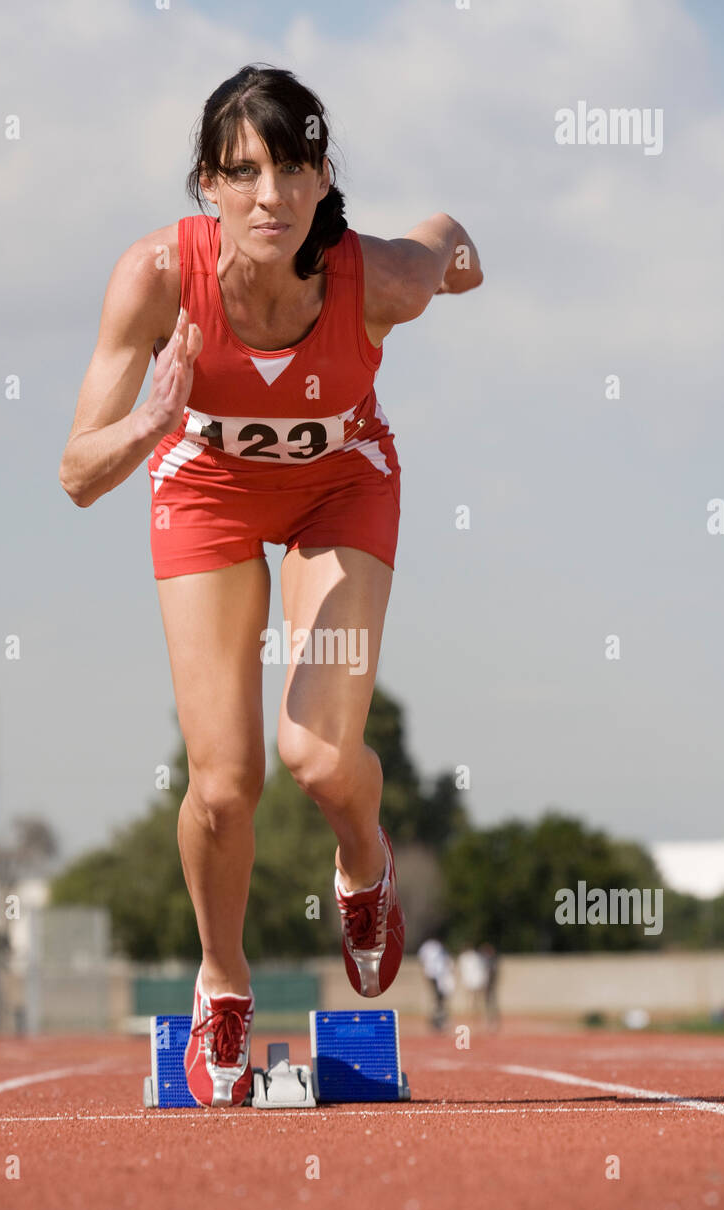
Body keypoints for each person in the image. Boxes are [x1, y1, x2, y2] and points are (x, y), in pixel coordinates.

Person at [59, 64, 483, 1107]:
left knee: (319, 755)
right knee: (223, 782)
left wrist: (454, 260)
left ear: (320, 176)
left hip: (340, 488)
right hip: (203, 490)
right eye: (242, 172)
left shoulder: (372, 277)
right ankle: (224, 980)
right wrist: (151, 425)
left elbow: (444, 243)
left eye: (291, 168)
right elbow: (77, 473)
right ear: (208, 182)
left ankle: (362, 862)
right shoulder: (156, 276)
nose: (268, 195)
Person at [417, 935, 455, 1032]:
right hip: (435, 975)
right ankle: (437, 1021)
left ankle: (439, 1020)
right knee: (438, 999)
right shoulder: (433, 947)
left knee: (439, 999)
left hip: (437, 976)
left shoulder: (431, 947)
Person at [457, 942, 487, 1019]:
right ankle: (472, 1013)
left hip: (474, 979)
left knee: (474, 998)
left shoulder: (474, 957)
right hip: (471, 979)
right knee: (472, 998)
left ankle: (475, 1013)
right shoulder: (467, 957)